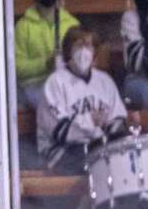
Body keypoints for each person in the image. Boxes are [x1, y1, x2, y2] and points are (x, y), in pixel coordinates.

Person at [37, 27, 126, 173]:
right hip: (61, 151)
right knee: (98, 165)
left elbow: (117, 119)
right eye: (79, 45)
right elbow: (60, 132)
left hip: (96, 147)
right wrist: (90, 121)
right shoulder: (55, 82)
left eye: (88, 46)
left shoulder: (104, 81)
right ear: (68, 51)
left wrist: (113, 128)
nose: (84, 51)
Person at [15, 0, 80, 110]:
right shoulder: (23, 27)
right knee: (57, 100)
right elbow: (16, 67)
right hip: (35, 85)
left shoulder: (72, 24)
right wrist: (45, 63)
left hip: (68, 83)